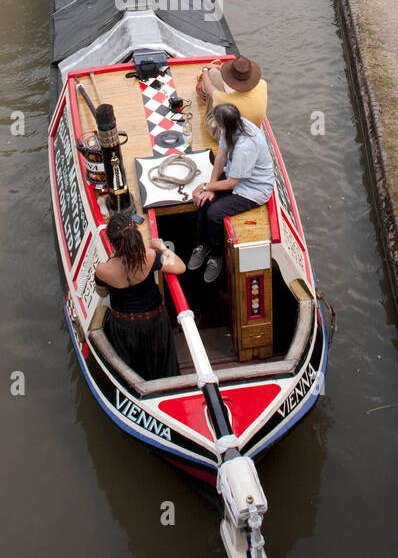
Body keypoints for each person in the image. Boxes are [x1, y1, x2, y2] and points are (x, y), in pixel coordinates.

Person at [188, 105, 275, 284]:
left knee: (214, 213)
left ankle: (217, 253)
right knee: (204, 202)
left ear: (223, 126)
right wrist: (210, 188)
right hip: (236, 176)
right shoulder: (233, 128)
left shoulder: (245, 146)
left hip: (253, 189)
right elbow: (220, 156)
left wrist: (205, 187)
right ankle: (202, 244)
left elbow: (232, 183)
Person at [94, 213, 185, 379]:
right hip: (155, 323)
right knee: (164, 369)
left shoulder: (102, 270)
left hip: (124, 328)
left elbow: (103, 292)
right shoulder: (149, 256)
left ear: (112, 242)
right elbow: (180, 266)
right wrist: (162, 247)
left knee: (134, 373)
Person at [196, 54, 268, 140]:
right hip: (253, 131)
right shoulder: (263, 84)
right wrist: (219, 67)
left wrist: (205, 70)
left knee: (213, 74)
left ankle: (202, 93)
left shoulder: (225, 99)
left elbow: (209, 88)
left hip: (228, 138)